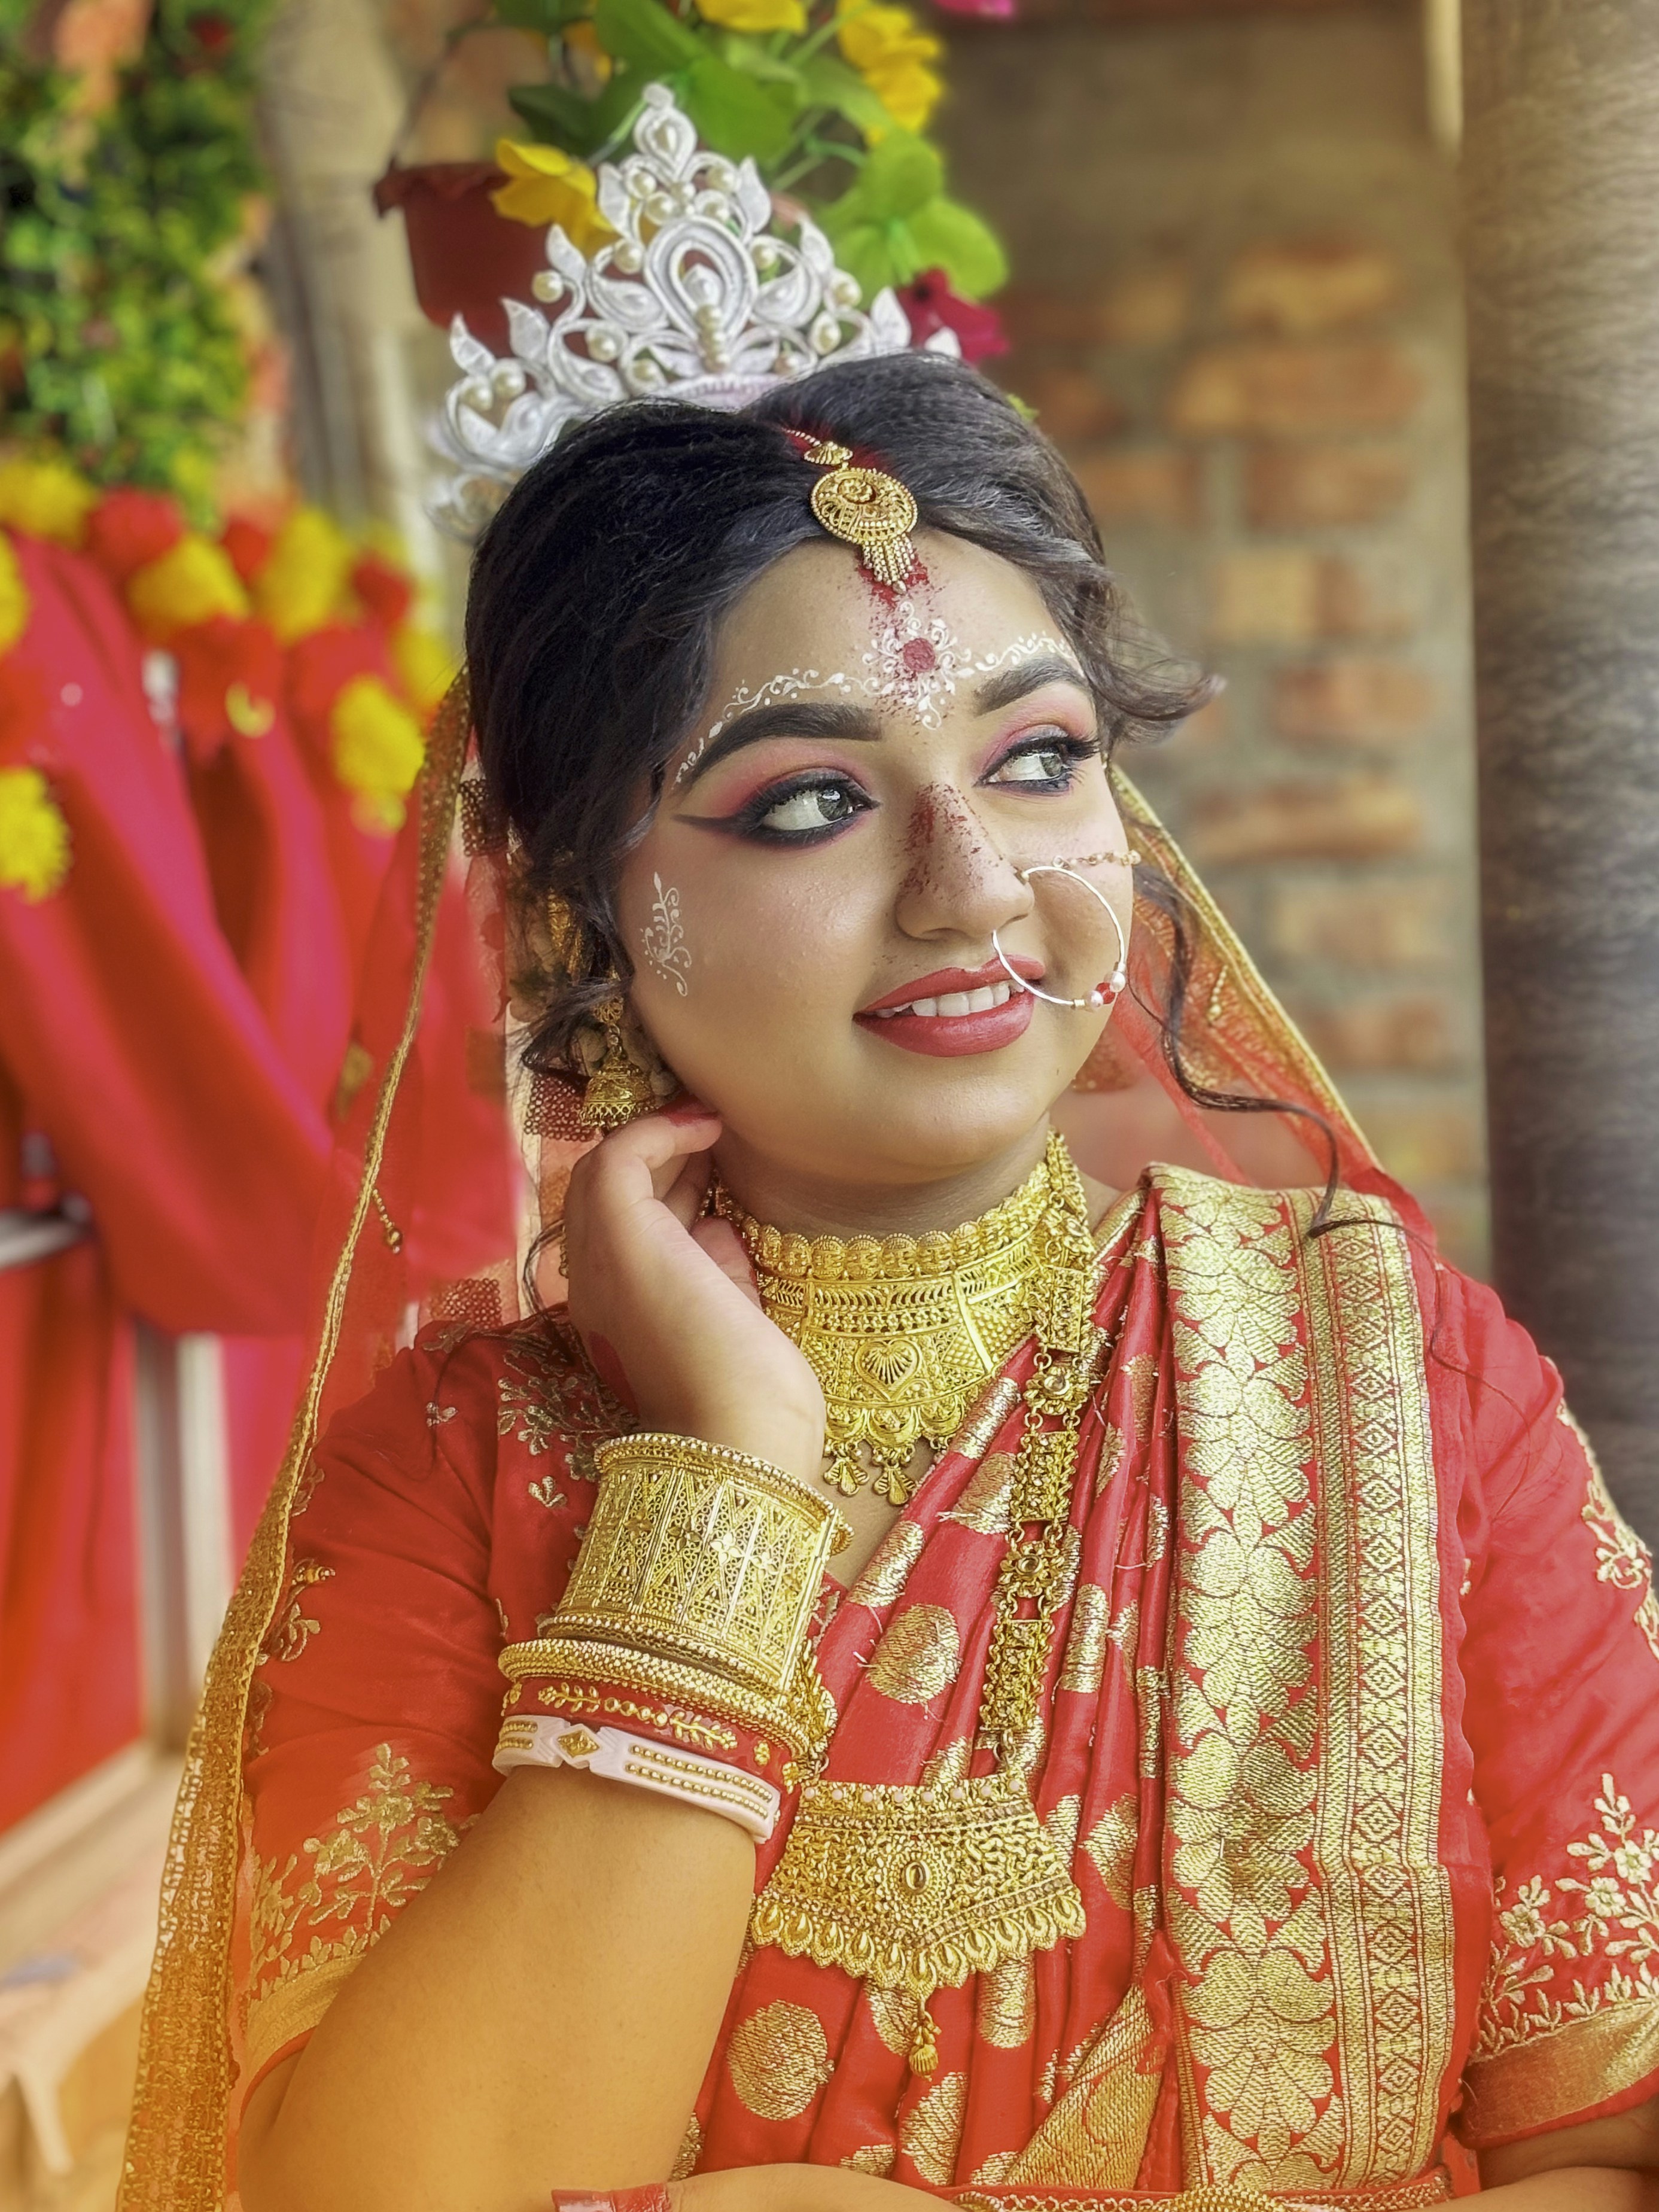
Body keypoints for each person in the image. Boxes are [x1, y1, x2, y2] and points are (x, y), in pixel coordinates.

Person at [123, 352, 1659, 2212]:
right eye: (805, 802)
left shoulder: (1401, 1390)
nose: (972, 884)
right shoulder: (449, 1484)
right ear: (570, 914)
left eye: (1037, 761)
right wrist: (728, 1481)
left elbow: (1613, 2158)